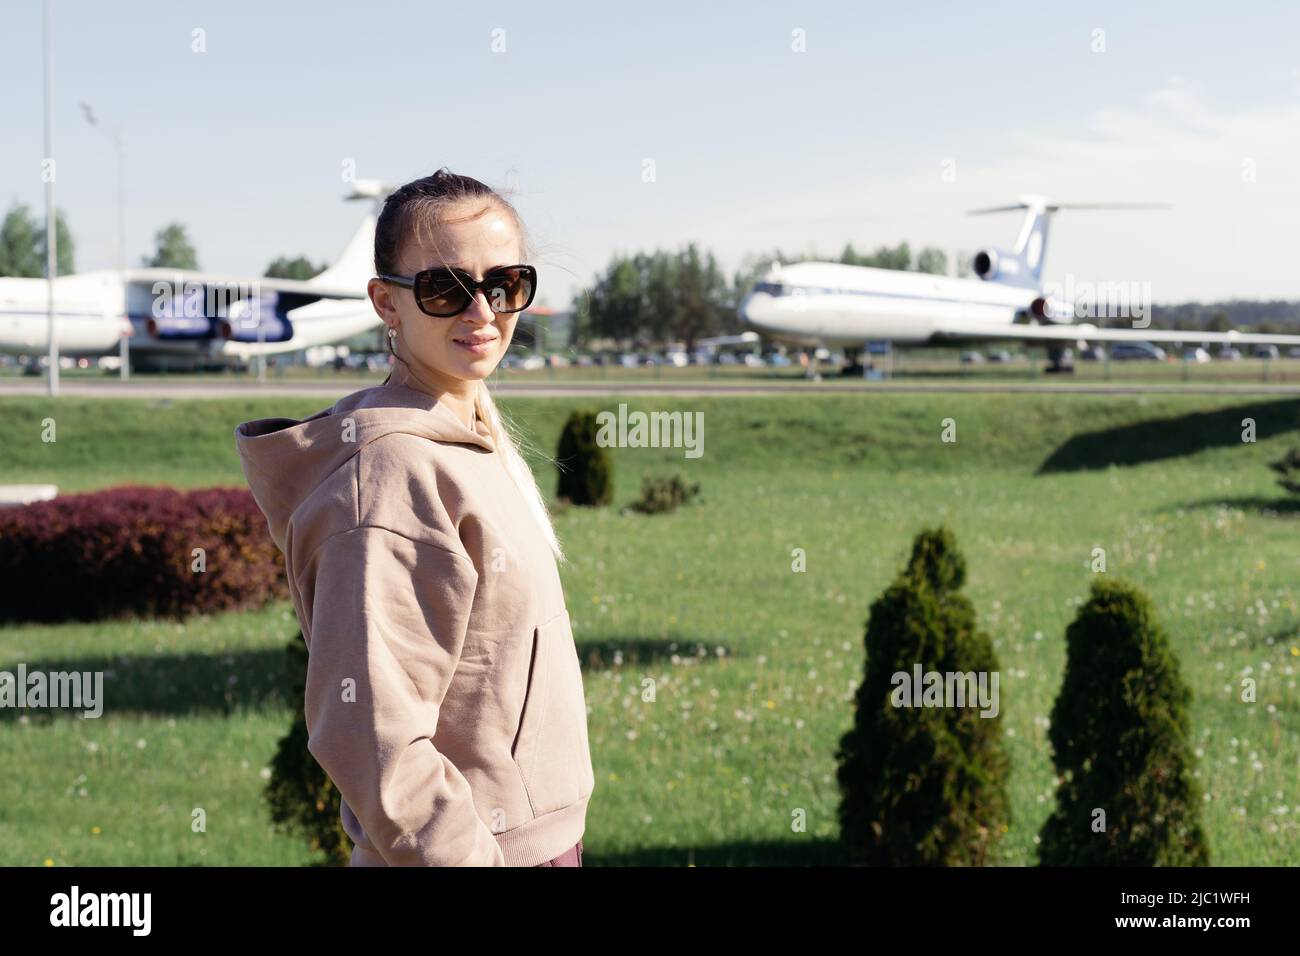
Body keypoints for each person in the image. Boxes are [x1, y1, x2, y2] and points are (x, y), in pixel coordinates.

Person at [234, 169, 594, 866]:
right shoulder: (392, 476)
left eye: (505, 284)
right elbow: (372, 736)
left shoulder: (469, 438)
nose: (483, 312)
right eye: (444, 288)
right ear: (386, 303)